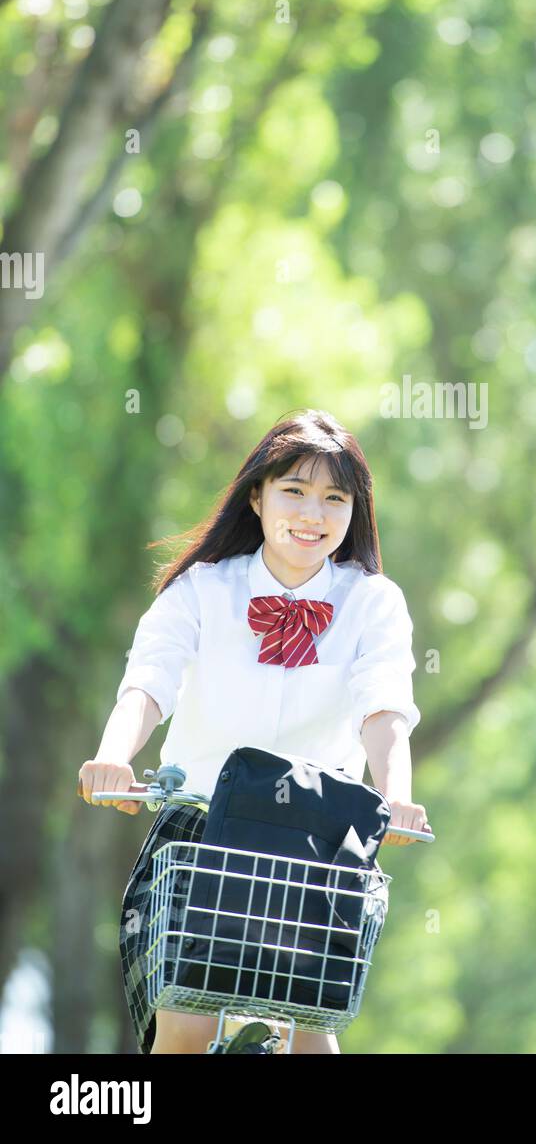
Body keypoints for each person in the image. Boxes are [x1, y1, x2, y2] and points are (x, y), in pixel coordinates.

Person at [78, 408, 430, 1055]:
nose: (312, 514)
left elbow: (382, 706)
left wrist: (396, 794)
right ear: (257, 496)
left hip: (316, 838)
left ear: (355, 512)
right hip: (202, 825)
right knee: (184, 1028)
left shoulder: (372, 602)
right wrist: (111, 756)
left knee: (312, 1033)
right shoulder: (201, 589)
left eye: (334, 498)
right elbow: (149, 682)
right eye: (293, 490)